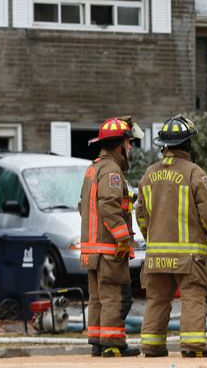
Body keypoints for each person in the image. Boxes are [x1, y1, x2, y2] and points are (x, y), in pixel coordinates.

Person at [136, 114, 207, 358]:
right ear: (188, 144)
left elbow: (140, 214)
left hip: (156, 256)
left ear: (164, 145)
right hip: (189, 256)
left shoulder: (148, 174)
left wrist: (152, 237)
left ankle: (152, 346)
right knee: (194, 298)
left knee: (157, 300)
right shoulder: (195, 173)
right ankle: (193, 347)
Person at [79, 118, 143, 357]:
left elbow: (84, 205)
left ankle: (97, 341)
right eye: (129, 143)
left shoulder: (93, 168)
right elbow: (108, 206)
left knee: (97, 298)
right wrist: (123, 238)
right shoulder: (112, 171)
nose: (130, 148)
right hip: (109, 249)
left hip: (93, 250)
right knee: (115, 296)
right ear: (119, 145)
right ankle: (113, 344)